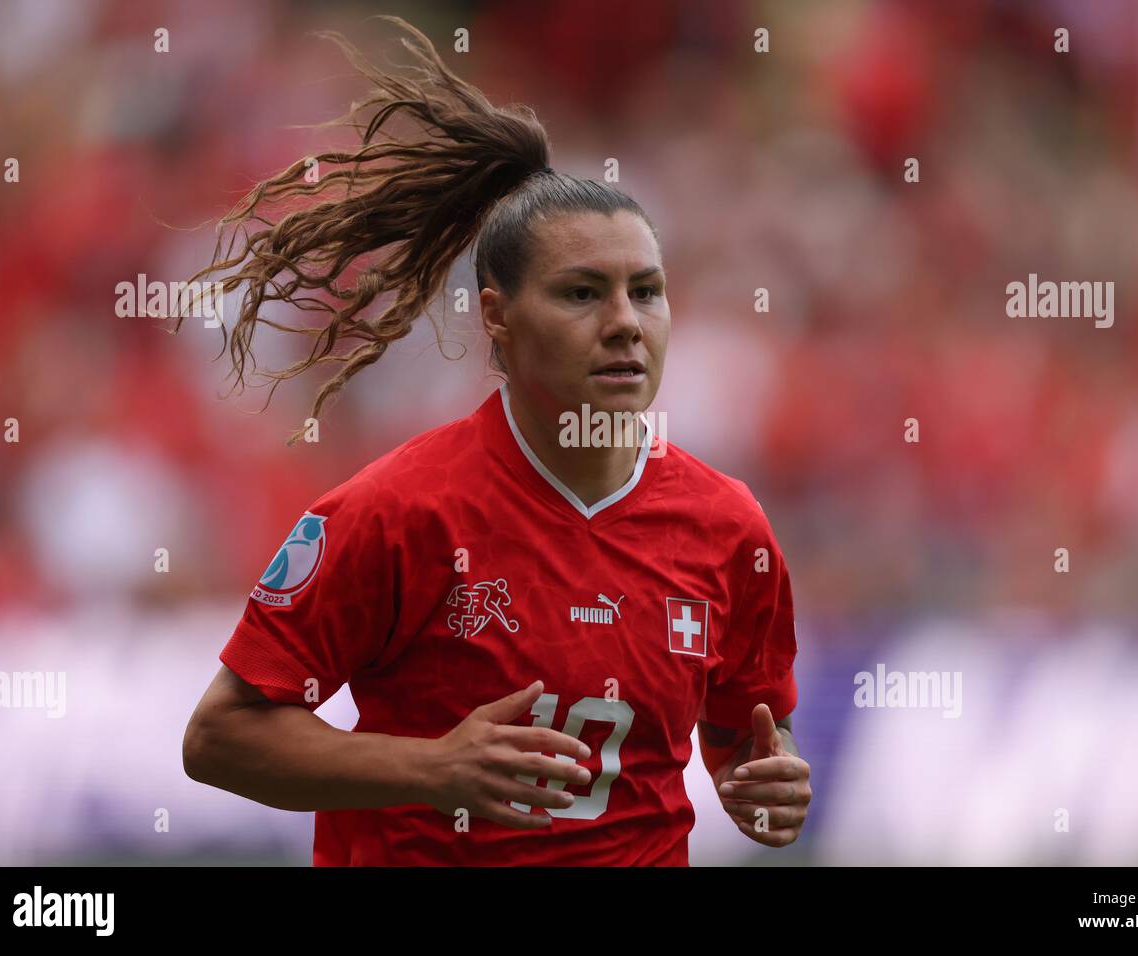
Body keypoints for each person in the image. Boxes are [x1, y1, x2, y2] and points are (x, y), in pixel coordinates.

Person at [180, 15, 810, 865]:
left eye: (647, 291)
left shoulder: (729, 529)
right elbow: (218, 738)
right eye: (583, 294)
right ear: (498, 319)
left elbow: (745, 738)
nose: (626, 324)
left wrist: (762, 787)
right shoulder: (398, 512)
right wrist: (434, 768)